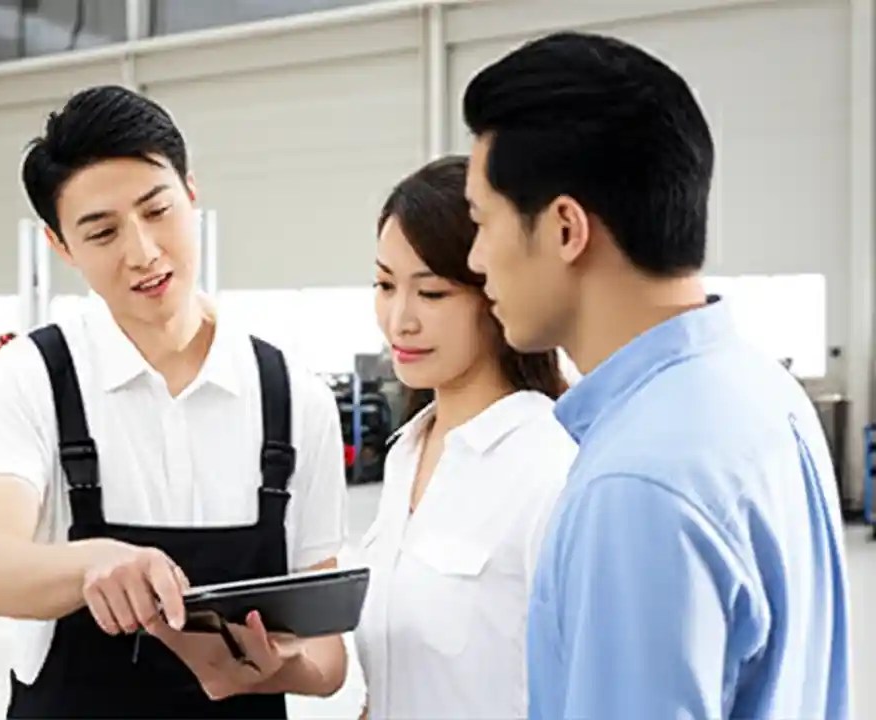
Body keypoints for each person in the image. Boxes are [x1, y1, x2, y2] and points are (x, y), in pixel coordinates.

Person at [461, 32, 850, 719]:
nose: (475, 259)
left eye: (481, 221)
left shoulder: (636, 484)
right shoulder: (760, 394)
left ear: (564, 229)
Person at [0, 84, 349, 719]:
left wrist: (278, 671)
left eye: (157, 210)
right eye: (102, 231)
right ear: (61, 245)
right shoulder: (30, 377)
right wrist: (95, 562)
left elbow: (329, 655)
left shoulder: (293, 397)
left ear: (191, 193)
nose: (141, 252)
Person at [354, 156, 576, 720]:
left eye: (431, 294)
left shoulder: (550, 467)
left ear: (495, 291)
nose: (398, 319)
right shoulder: (407, 454)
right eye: (384, 285)